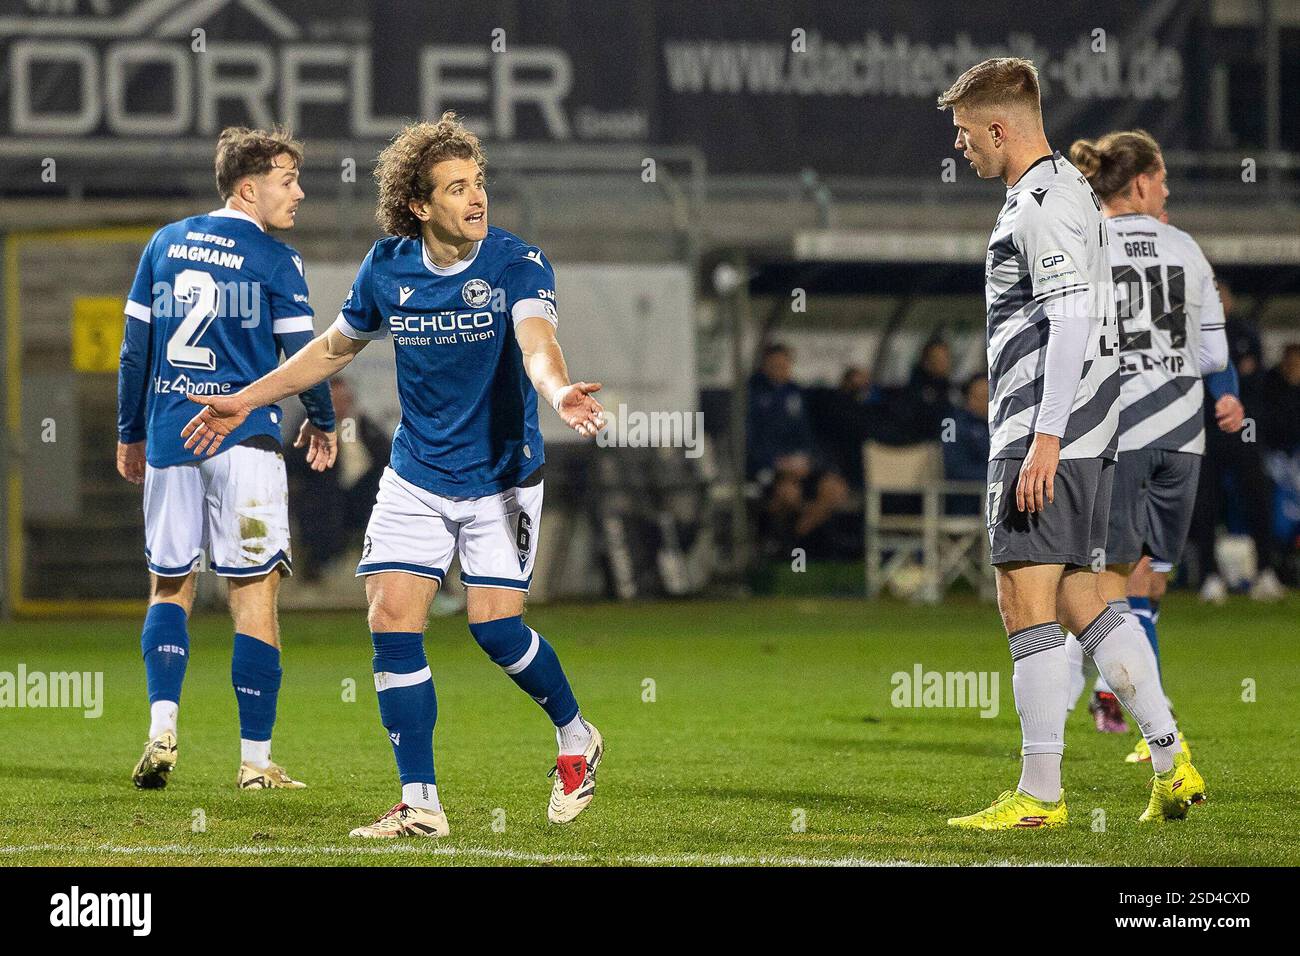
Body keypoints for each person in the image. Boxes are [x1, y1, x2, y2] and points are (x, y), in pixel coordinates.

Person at [180, 113, 605, 838]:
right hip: (416, 474)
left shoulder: (515, 263)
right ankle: (421, 803)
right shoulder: (389, 266)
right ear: (418, 203)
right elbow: (331, 349)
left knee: (496, 633)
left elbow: (538, 341)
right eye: (457, 188)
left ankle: (575, 735)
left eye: (479, 185)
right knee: (389, 619)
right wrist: (246, 400)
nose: (477, 200)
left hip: (502, 476)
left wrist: (559, 391)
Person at [936, 57, 1203, 830]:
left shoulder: (1042, 204)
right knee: (1089, 599)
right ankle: (1169, 758)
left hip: (1045, 435)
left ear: (998, 127)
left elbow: (1074, 321)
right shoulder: (1067, 190)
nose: (962, 148)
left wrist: (1044, 436)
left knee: (1025, 600)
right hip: (1088, 435)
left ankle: (1041, 797)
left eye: (964, 133)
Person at [116, 127, 337, 791]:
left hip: (171, 440)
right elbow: (305, 357)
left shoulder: (164, 243)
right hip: (244, 447)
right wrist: (324, 420)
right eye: (287, 180)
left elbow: (135, 353)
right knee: (254, 599)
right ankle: (254, 761)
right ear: (248, 188)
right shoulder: (275, 259)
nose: (299, 193)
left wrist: (130, 434)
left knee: (169, 586)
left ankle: (161, 726)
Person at [1064, 130, 1236, 762]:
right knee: (1149, 581)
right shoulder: (1187, 248)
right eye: (1162, 180)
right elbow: (1216, 353)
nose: (1167, 191)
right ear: (1141, 183)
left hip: (1114, 434)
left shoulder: (1086, 243)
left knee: (1097, 581)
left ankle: (1125, 708)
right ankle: (1140, 716)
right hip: (1183, 441)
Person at [1190, 282, 1286, 602]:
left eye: (1221, 295)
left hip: (1244, 426)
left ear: (1229, 299)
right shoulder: (1192, 332)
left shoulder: (1245, 330)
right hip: (1207, 427)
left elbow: (1254, 376)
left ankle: (1266, 571)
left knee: (1256, 494)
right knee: (1206, 501)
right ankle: (1209, 575)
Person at [746, 343, 850, 554]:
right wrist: (776, 462)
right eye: (775, 365)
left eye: (784, 365)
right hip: (771, 470)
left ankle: (798, 537)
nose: (780, 370)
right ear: (764, 366)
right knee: (788, 495)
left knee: (835, 489)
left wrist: (808, 461)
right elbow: (749, 443)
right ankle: (790, 548)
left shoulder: (796, 394)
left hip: (803, 466)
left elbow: (808, 437)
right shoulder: (751, 396)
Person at [286, 377, 391, 580]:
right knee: (325, 509)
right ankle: (315, 570)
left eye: (345, 399)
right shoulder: (310, 425)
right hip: (324, 494)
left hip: (364, 494)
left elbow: (385, 455)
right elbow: (294, 460)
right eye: (335, 400)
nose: (341, 404)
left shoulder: (359, 423)